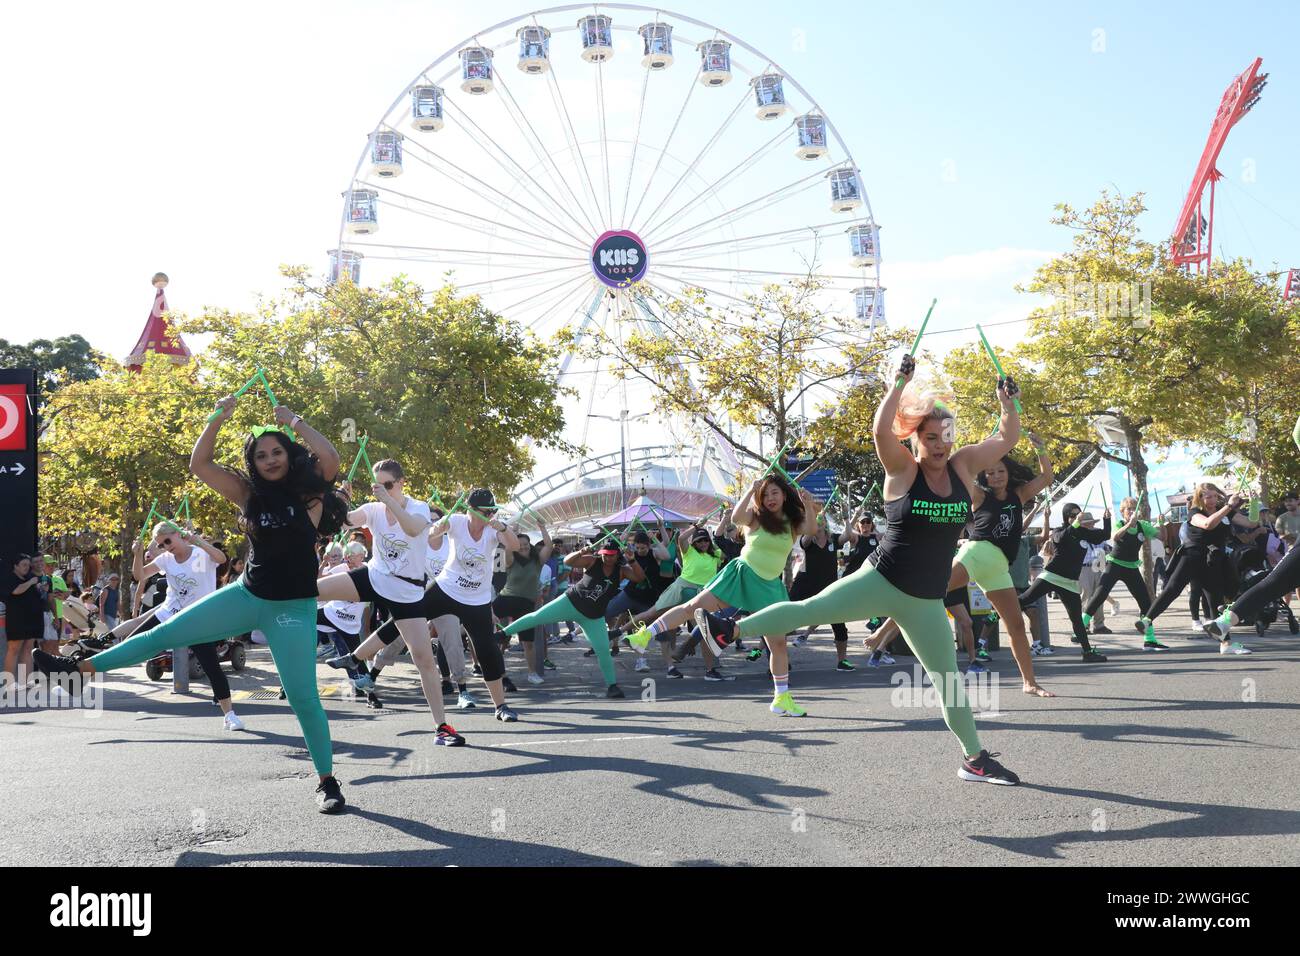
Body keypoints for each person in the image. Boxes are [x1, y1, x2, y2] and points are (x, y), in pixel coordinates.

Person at [695, 356, 1022, 783]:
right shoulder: (903, 470)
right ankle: (727, 631)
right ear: (916, 440)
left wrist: (1007, 402)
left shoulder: (963, 466)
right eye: (930, 437)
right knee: (807, 610)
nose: (940, 444)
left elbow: (1006, 437)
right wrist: (897, 384)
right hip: (881, 581)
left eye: (946, 436)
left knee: (948, 679)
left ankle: (973, 759)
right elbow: (879, 431)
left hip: (926, 599)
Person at [33, 401, 352, 814]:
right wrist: (216, 417)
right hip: (246, 596)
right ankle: (75, 671)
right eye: (261, 454)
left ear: (290, 455)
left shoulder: (309, 492)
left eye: (277, 451)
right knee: (164, 634)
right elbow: (199, 464)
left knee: (302, 697)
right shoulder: (248, 493)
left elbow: (331, 457)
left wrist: (292, 421)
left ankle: (327, 782)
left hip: (291, 607)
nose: (270, 459)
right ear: (252, 462)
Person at [330, 489, 520, 722]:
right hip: (446, 589)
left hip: (476, 600)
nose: (490, 515)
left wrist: (501, 526)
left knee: (487, 650)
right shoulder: (457, 521)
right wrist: (437, 529)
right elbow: (428, 534)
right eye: (485, 511)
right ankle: (355, 657)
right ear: (470, 510)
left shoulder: (494, 530)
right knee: (401, 618)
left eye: (493, 511)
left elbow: (514, 546)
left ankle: (500, 706)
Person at [317, 459, 463, 746]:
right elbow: (345, 521)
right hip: (374, 575)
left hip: (407, 591)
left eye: (387, 485)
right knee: (311, 591)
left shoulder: (419, 508)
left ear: (401, 483)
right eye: (377, 486)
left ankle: (442, 727)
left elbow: (411, 529)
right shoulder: (374, 509)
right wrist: (339, 500)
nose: (380, 491)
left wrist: (388, 500)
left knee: (424, 660)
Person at [651, 473, 818, 715]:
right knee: (694, 607)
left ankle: (781, 697)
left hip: (769, 587)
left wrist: (809, 505)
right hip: (741, 577)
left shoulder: (792, 520)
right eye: (766, 494)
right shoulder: (756, 517)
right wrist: (751, 490)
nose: (770, 498)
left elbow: (811, 528)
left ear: (784, 494)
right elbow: (738, 516)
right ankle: (646, 634)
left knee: (779, 644)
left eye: (775, 493)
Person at [946, 434, 1054, 696]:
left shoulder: (1018, 495)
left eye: (1000, 471)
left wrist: (1041, 449)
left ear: (1008, 472)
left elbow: (1046, 478)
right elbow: (955, 468)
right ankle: (885, 630)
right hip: (977, 552)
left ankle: (1029, 682)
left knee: (1016, 625)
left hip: (999, 568)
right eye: (990, 472)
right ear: (984, 477)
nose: (996, 476)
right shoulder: (980, 496)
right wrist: (979, 450)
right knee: (933, 590)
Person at [105, 523, 242, 728]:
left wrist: (197, 540)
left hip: (197, 619)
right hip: (168, 613)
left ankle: (229, 715)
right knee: (131, 644)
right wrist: (138, 553)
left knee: (211, 667)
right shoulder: (166, 559)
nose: (166, 547)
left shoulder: (200, 553)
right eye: (161, 545)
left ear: (178, 534)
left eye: (168, 541)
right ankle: (82, 672)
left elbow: (221, 559)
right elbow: (140, 575)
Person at [502, 540, 646, 698]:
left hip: (593, 616)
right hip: (570, 602)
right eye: (605, 555)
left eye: (611, 555)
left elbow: (639, 578)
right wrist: (580, 552)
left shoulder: (622, 570)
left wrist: (632, 559)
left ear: (617, 555)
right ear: (601, 553)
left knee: (604, 650)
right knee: (538, 617)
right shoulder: (592, 560)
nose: (608, 558)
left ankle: (612, 686)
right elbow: (567, 561)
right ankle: (504, 633)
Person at [1138, 483, 1256, 655]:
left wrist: (1254, 502)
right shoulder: (1195, 512)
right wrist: (1229, 506)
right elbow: (1208, 524)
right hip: (1192, 555)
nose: (1212, 499)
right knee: (1173, 588)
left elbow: (1252, 523)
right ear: (1199, 498)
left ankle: (1226, 644)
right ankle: (1147, 620)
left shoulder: (1225, 511)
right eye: (1208, 496)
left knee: (1215, 600)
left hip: (1211, 559)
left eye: (1215, 496)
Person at [624, 524, 724, 677]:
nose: (703, 543)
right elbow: (680, 539)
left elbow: (720, 541)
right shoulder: (688, 551)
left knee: (703, 631)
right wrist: (696, 526)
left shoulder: (715, 554)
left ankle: (707, 668)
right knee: (654, 615)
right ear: (694, 543)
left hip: (700, 596)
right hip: (678, 590)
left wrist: (721, 524)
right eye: (699, 541)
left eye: (706, 540)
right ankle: (620, 633)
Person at [1015, 505, 1111, 662]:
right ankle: (993, 616)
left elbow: (1105, 535)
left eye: (1078, 514)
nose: (1077, 517)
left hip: (1070, 582)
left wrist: (1107, 518)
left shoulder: (1084, 533)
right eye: (1073, 515)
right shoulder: (1060, 530)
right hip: (1051, 576)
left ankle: (1087, 653)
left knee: (1077, 620)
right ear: (1067, 517)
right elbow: (1059, 539)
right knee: (1024, 599)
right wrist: (1074, 524)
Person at [1080, 496, 1162, 648]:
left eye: (1133, 508)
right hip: (1115, 564)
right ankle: (1079, 629)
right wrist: (1128, 525)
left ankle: (1149, 638)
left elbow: (1160, 536)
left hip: (1131, 567)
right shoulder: (1120, 523)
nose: (1131, 511)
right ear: (1123, 512)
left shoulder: (1143, 525)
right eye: (1128, 509)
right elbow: (1115, 537)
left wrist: (1161, 523)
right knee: (1100, 595)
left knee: (1145, 602)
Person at [787, 511, 856, 670]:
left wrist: (846, 518)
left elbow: (848, 536)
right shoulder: (808, 539)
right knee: (787, 616)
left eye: (822, 520)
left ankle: (842, 661)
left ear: (826, 523)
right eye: (817, 520)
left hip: (829, 588)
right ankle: (780, 657)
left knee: (839, 626)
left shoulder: (833, 539)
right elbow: (805, 540)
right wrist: (813, 523)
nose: (820, 522)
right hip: (806, 585)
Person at [493, 525, 553, 684]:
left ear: (530, 545)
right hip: (506, 600)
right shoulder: (511, 558)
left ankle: (532, 673)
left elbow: (549, 546)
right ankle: (493, 668)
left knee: (528, 642)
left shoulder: (537, 561)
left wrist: (542, 527)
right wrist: (509, 531)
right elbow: (507, 545)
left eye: (526, 544)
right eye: (520, 545)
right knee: (497, 636)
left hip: (526, 604)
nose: (523, 547)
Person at [4, 554, 45, 684]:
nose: (27, 567)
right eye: (24, 565)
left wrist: (41, 589)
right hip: (16, 619)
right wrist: (31, 583)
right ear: (16, 566)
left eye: (28, 565)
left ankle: (26, 680)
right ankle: (9, 682)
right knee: (14, 649)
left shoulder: (29, 578)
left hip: (32, 619)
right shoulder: (10, 578)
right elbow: (16, 591)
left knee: (28, 649)